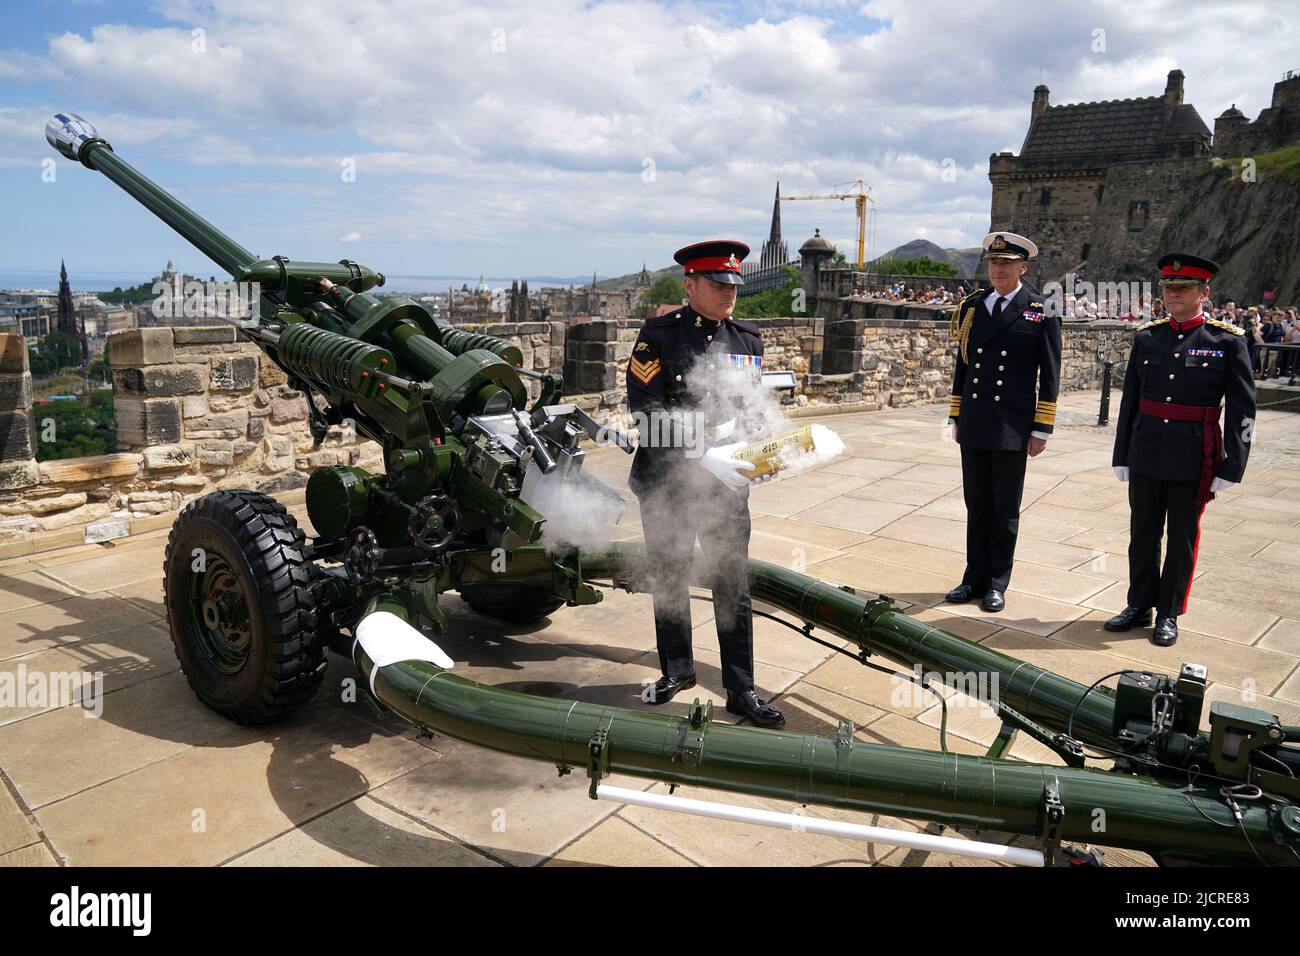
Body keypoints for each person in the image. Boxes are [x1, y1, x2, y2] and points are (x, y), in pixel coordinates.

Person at [625, 239, 784, 727]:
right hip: (668, 481)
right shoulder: (659, 337)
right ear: (689, 285)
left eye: (733, 284)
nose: (729, 293)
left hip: (725, 489)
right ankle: (676, 670)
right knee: (670, 577)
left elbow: (753, 411)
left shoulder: (747, 340)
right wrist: (701, 445)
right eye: (718, 285)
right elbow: (645, 410)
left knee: (732, 585)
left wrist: (766, 449)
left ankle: (741, 688)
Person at [1106, 252, 1256, 646]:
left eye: (1182, 288)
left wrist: (1232, 465)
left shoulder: (1226, 341)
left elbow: (1243, 409)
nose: (1172, 294)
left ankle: (1168, 612)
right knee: (1142, 533)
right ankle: (1139, 604)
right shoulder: (1148, 337)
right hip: (1145, 450)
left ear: (1203, 293)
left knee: (1182, 538)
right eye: (1168, 288)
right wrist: (1122, 454)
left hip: (1194, 455)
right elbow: (1130, 402)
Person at [944, 232, 1062, 613]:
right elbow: (962, 366)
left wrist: (1041, 427)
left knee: (1005, 508)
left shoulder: (1040, 310)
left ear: (1023, 268)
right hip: (976, 421)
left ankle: (996, 582)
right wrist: (955, 415)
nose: (998, 269)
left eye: (1007, 264)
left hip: (1012, 425)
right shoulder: (973, 307)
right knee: (976, 504)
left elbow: (1050, 373)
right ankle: (971, 578)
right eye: (994, 263)